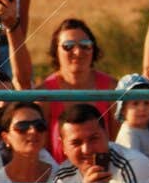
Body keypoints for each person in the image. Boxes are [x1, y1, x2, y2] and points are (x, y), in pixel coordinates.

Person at [40, 18, 115, 162]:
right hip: (60, 179)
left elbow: (118, 143)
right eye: (68, 46)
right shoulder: (44, 94)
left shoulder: (112, 89)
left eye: (85, 45)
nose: (78, 51)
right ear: (56, 51)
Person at [112, 73, 149, 159]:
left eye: (147, 103)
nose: (142, 108)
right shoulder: (129, 134)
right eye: (135, 103)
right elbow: (133, 163)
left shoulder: (147, 130)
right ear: (123, 110)